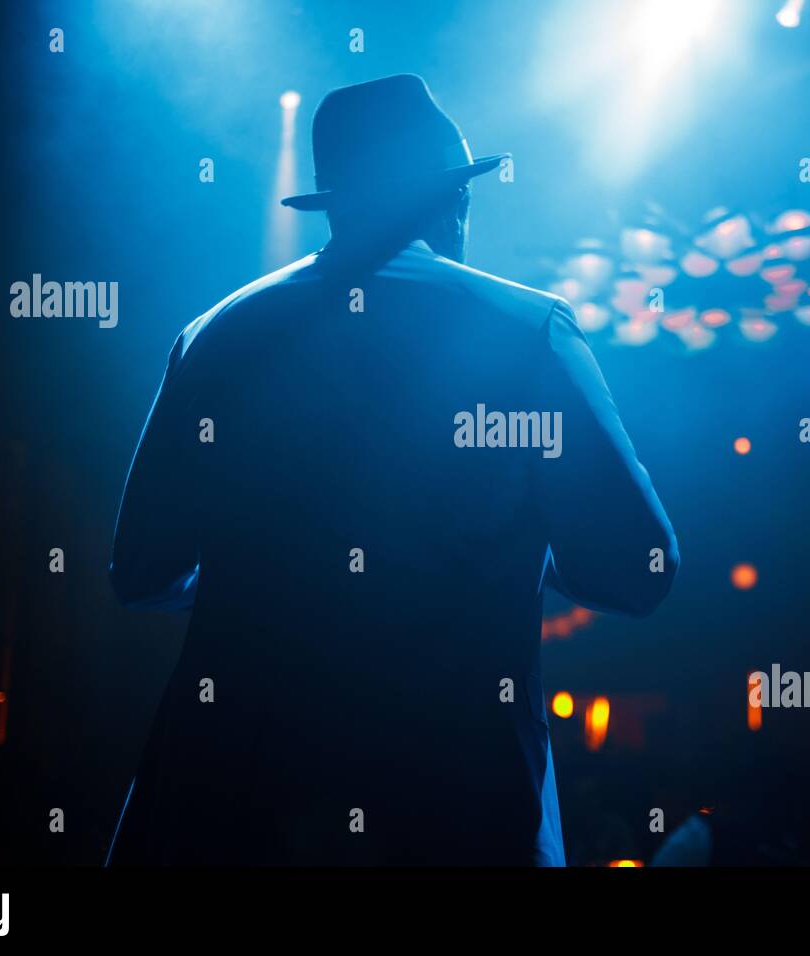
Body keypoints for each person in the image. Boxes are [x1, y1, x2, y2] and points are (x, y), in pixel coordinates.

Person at [106, 74, 678, 866]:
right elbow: (641, 571)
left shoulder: (214, 337)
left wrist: (276, 582)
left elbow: (138, 570)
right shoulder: (527, 330)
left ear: (335, 203)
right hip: (456, 823)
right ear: (451, 201)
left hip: (220, 820)